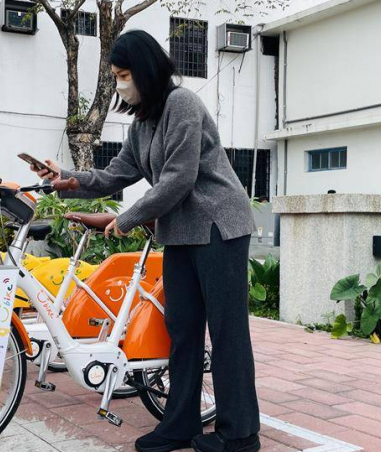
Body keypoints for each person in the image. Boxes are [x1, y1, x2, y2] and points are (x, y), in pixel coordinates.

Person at [31, 30, 260, 452]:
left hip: (217, 226)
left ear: (146, 70)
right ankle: (179, 423)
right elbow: (115, 174)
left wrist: (127, 219)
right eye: (116, 76)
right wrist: (68, 179)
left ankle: (240, 434)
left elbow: (178, 178)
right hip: (180, 232)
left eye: (123, 75)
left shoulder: (183, 105)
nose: (120, 84)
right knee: (182, 329)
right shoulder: (143, 124)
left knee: (226, 330)